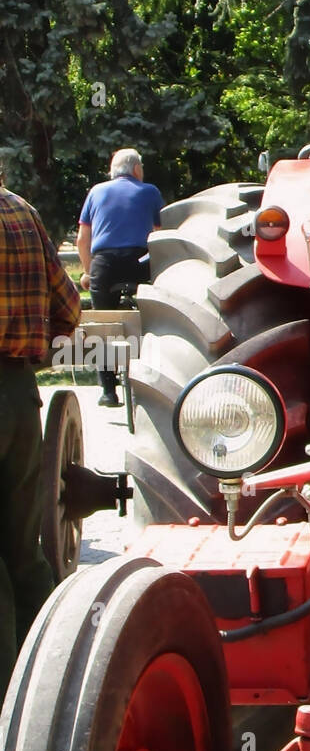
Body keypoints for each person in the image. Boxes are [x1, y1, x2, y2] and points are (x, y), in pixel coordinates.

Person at [0, 172, 81, 694]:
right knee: (21, 545)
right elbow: (69, 309)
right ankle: (42, 682)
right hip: (18, 397)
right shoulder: (22, 213)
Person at [77, 148, 163, 406]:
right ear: (137, 170)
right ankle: (154, 368)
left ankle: (108, 391)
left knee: (102, 323)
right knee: (154, 316)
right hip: (140, 262)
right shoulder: (150, 191)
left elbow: (83, 239)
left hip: (105, 264)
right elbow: (160, 234)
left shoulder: (95, 191)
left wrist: (88, 272)